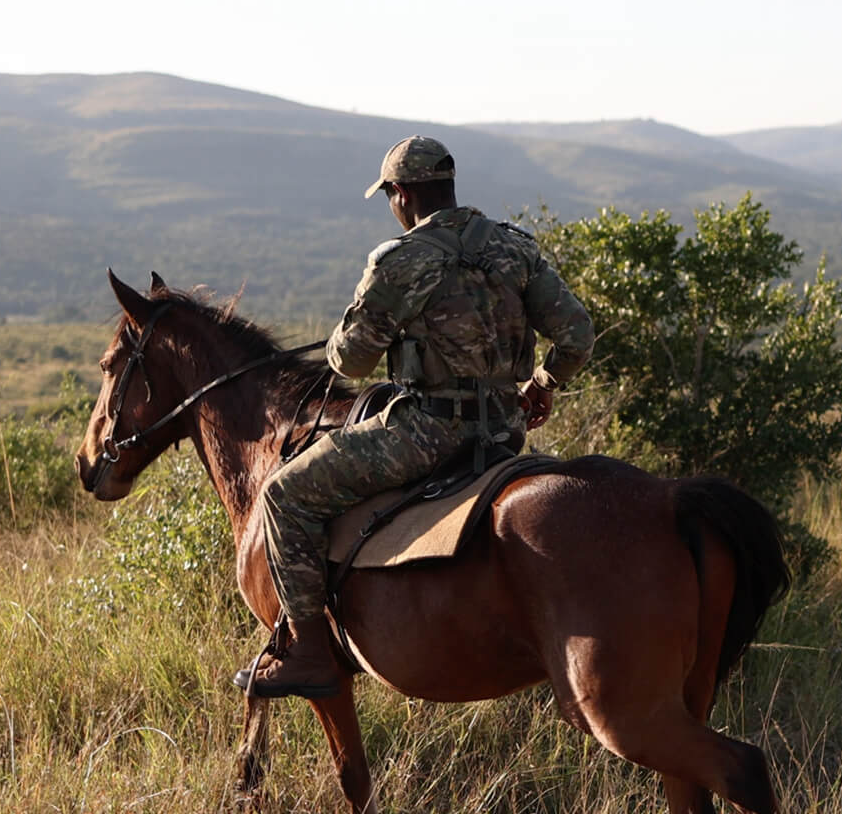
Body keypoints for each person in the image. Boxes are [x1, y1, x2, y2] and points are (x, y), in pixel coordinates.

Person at [239, 135, 595, 699]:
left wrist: (347, 335)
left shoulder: (400, 260)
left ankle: (307, 651)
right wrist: (543, 383)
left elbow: (351, 362)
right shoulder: (515, 249)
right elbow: (577, 334)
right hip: (504, 430)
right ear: (448, 186)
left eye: (388, 197)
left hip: (426, 434)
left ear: (401, 194)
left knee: (286, 495)